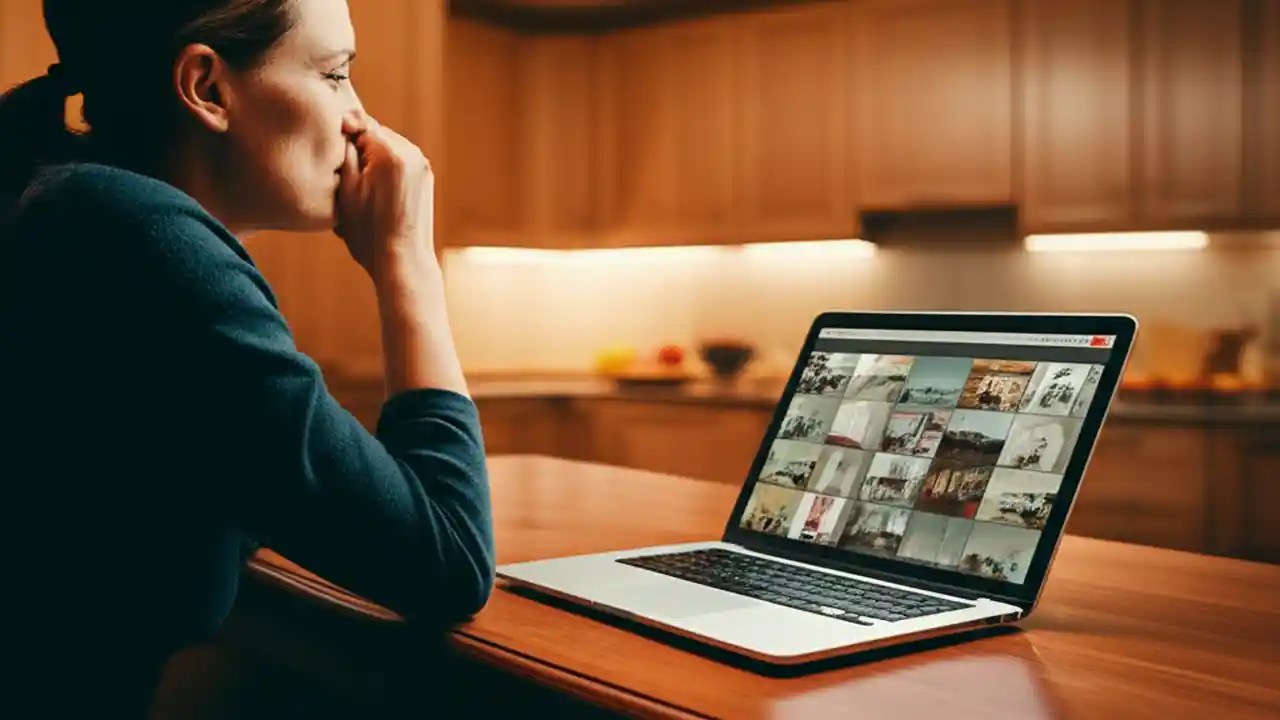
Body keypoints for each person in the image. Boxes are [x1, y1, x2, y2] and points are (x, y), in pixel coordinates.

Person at [0, 0, 494, 714]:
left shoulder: (67, 203)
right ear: (205, 87)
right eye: (334, 74)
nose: (360, 117)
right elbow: (447, 562)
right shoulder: (143, 239)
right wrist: (408, 264)